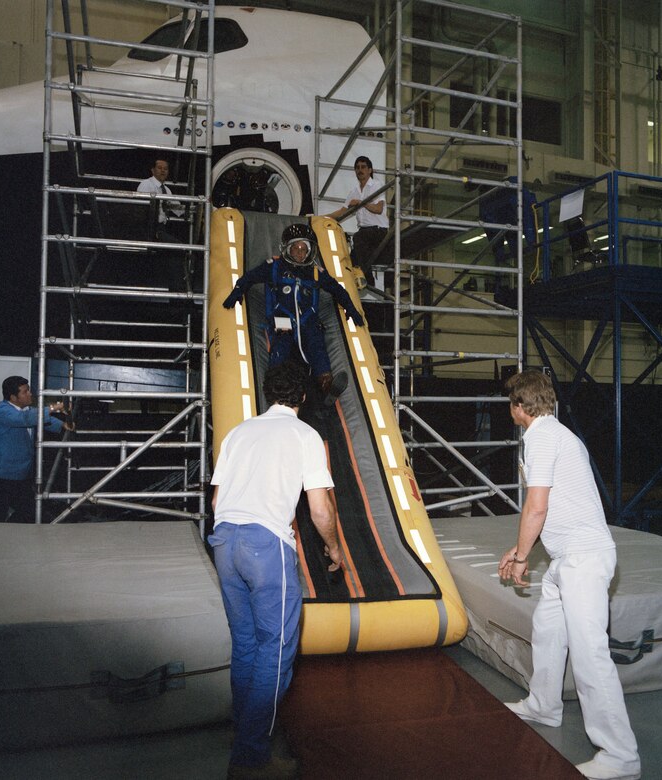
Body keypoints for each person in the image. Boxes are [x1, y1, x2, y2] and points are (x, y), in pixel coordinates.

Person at [498, 370, 640, 780]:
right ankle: (544, 704)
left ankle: (620, 755)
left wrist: (523, 557)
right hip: (566, 559)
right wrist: (523, 548)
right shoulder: (556, 434)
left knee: (589, 653)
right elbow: (560, 508)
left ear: (519, 407)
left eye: (511, 403)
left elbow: (537, 506)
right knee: (549, 630)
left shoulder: (541, 437)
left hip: (583, 559)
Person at [208, 362, 342, 779]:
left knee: (246, 643)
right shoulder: (305, 435)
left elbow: (215, 503)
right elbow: (320, 507)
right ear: (302, 396)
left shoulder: (238, 433)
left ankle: (242, 731)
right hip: (265, 547)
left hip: (224, 541)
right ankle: (251, 759)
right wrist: (333, 546)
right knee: (276, 650)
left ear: (268, 393)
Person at [223, 223, 364, 401]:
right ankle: (275, 386)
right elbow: (249, 277)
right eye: (296, 248)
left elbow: (337, 290)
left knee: (317, 344)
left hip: (308, 318)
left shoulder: (315, 272)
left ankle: (326, 384)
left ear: (309, 252)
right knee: (281, 344)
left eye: (304, 249)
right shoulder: (273, 267)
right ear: (287, 249)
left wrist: (351, 309)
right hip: (283, 317)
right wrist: (238, 290)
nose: (299, 253)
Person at [0, 376, 72, 524]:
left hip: (20, 474)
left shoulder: (27, 410)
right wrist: (53, 407)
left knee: (29, 511)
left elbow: (41, 419)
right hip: (1, 475)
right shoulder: (1, 410)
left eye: (29, 390)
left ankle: (7, 534)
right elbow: (26, 419)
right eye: (25, 392)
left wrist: (64, 425)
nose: (30, 394)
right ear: (13, 397)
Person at [327, 155, 389, 286]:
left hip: (378, 230)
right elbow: (341, 212)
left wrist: (361, 203)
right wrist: (323, 217)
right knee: (351, 261)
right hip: (365, 232)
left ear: (370, 170)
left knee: (358, 238)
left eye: (363, 167)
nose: (360, 170)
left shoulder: (376, 185)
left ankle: (369, 278)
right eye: (357, 168)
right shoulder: (354, 191)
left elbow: (378, 209)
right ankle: (359, 284)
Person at [137, 158, 185, 242]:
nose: (163, 170)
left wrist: (195, 209)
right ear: (153, 170)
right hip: (148, 228)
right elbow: (140, 211)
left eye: (165, 169)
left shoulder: (167, 190)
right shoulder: (146, 184)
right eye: (159, 168)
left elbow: (179, 209)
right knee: (177, 246)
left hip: (161, 228)